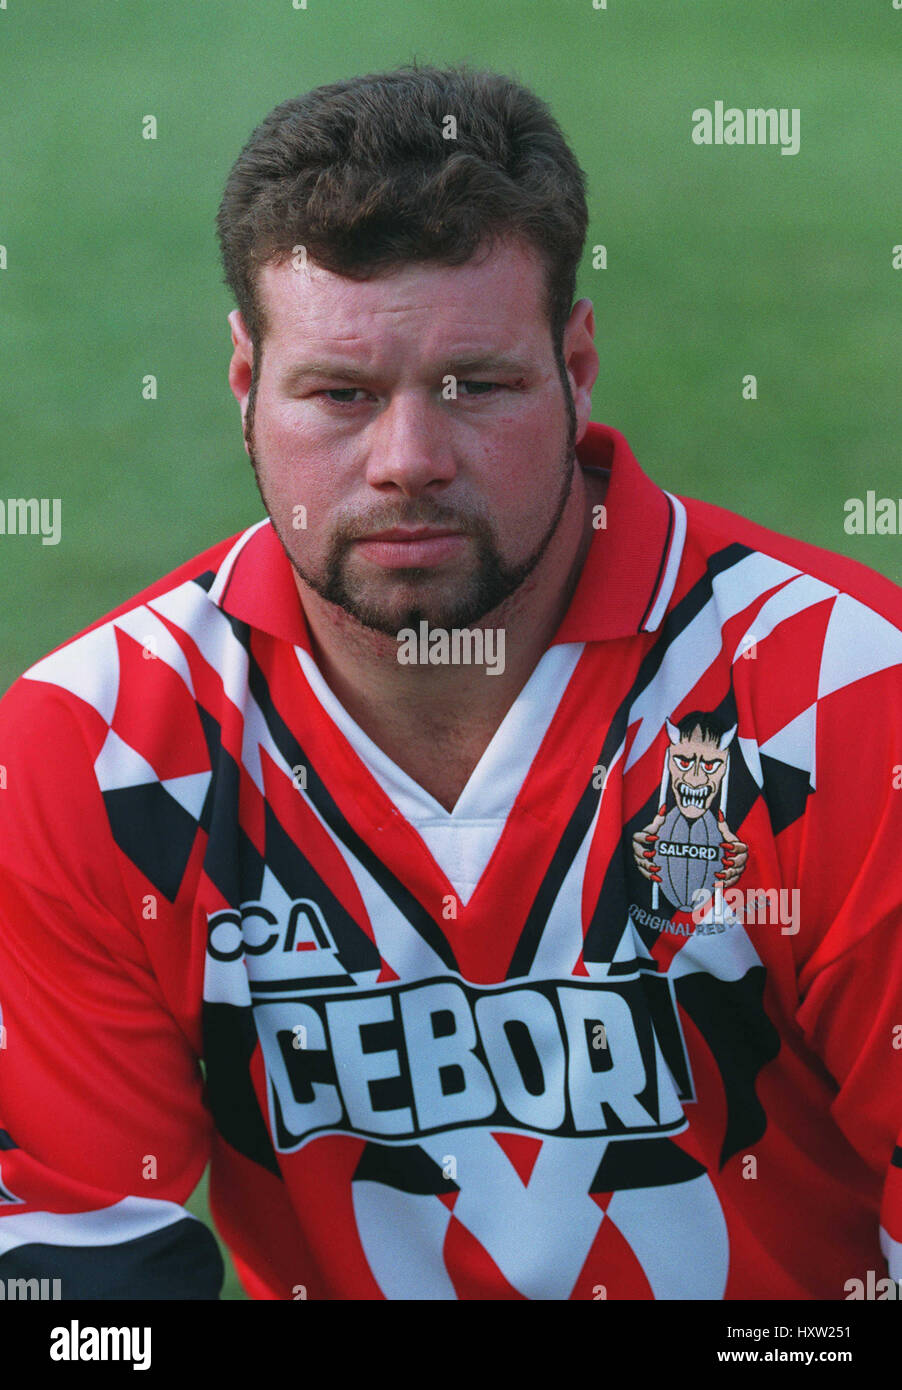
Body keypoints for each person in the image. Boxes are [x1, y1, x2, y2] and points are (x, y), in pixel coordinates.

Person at [1, 62, 901, 1302]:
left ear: (575, 364)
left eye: (474, 386)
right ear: (242, 384)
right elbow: (75, 1289)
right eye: (339, 394)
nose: (407, 461)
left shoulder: (847, 702)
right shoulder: (94, 748)